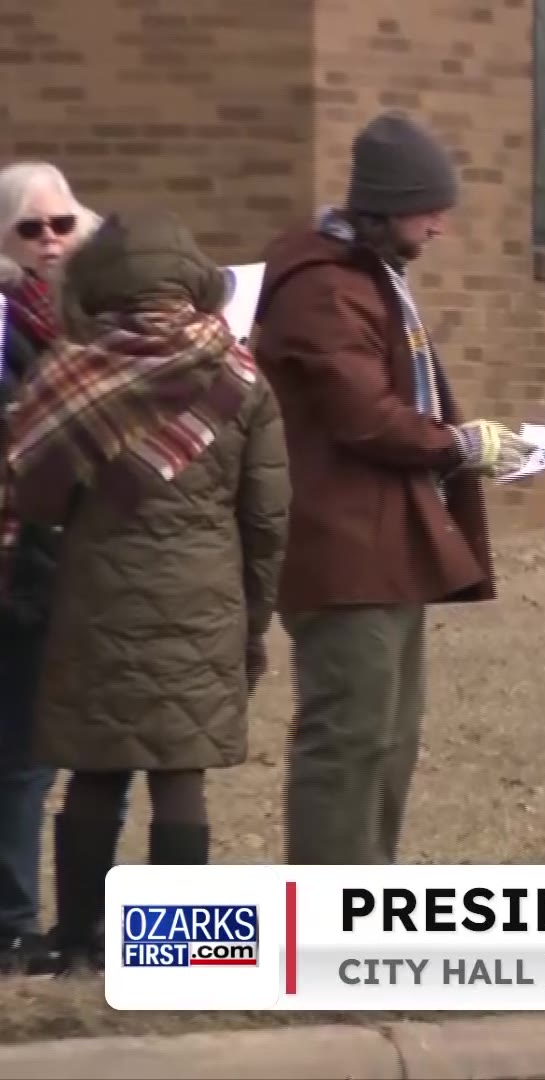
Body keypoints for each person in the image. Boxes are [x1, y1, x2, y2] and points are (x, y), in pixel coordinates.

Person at [1, 210, 289, 973]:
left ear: (97, 283)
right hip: (204, 600)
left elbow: (35, 495)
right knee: (178, 774)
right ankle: (172, 951)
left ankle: (77, 943)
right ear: (195, 279)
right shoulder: (238, 375)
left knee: (95, 771)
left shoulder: (70, 370)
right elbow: (266, 516)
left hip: (92, 601)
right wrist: (251, 616)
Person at [254, 111, 533, 865]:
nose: (440, 226)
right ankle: (327, 911)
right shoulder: (323, 289)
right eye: (427, 210)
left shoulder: (367, 278)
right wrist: (456, 445)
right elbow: (362, 415)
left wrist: (454, 444)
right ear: (384, 207)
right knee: (351, 738)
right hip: (341, 550)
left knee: (389, 737)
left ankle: (367, 895)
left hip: (380, 546)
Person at [0, 160, 99, 970]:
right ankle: (12, 920)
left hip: (70, 557)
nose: (49, 240)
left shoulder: (84, 322)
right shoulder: (11, 327)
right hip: (17, 560)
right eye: (29, 228)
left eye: (62, 223)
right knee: (21, 753)